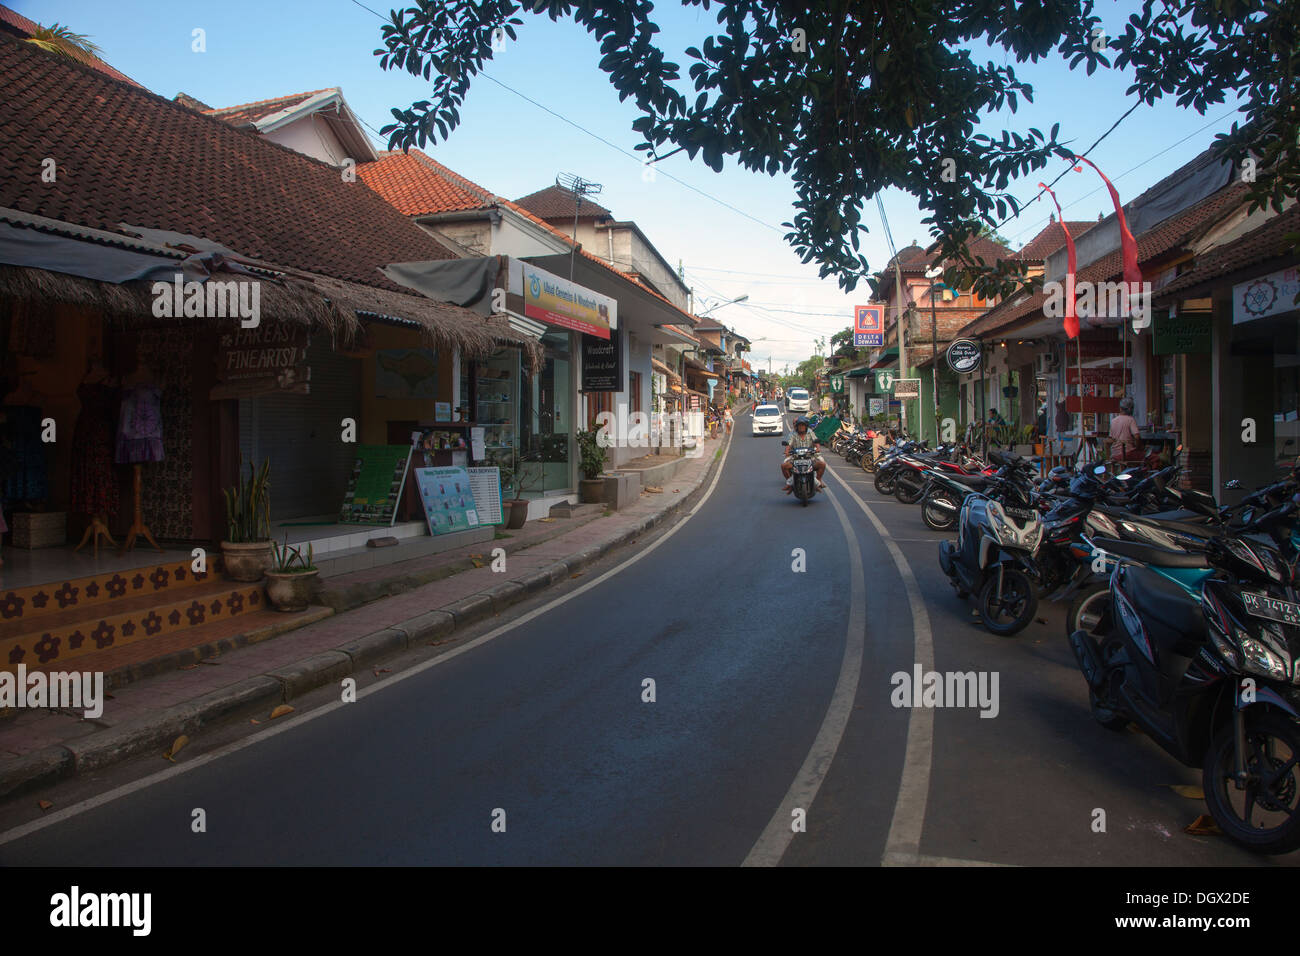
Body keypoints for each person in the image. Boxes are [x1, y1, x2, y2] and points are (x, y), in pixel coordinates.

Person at [782, 416, 827, 493]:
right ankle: (790, 484)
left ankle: (818, 481)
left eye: (803, 425)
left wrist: (818, 448)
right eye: (799, 425)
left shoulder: (810, 432)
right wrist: (787, 451)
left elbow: (816, 441)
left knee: (822, 464)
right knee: (784, 466)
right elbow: (788, 444)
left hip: (810, 457)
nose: (801, 427)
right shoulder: (793, 434)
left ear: (806, 426)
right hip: (795, 458)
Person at [1109, 396, 1142, 461]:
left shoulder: (1113, 421)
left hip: (1114, 454)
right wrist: (1138, 447)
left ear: (1120, 408)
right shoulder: (1130, 420)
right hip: (1127, 453)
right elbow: (1137, 437)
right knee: (1152, 457)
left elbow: (1111, 438)